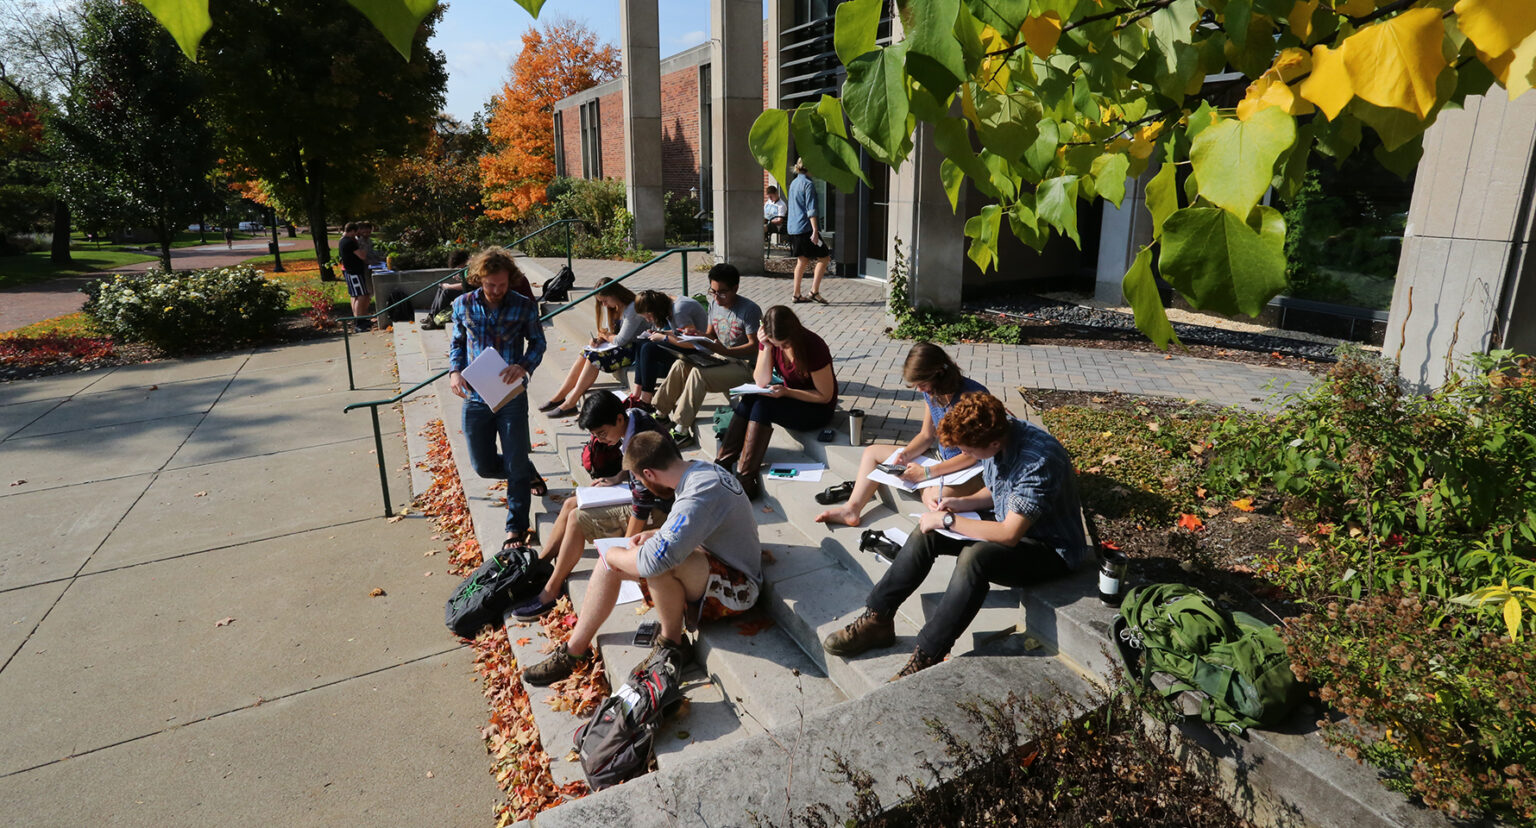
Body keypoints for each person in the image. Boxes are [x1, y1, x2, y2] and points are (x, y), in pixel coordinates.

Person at [821, 393, 1088, 681]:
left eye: (969, 451)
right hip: (1012, 525)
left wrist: (950, 519)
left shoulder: (1038, 460)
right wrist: (964, 504)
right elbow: (1002, 491)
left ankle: (928, 654)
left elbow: (1010, 534)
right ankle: (877, 619)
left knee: (975, 558)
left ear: (994, 444)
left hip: (1050, 550)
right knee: (929, 531)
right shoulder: (999, 432)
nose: (967, 456)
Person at [524, 431, 763, 686]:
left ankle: (672, 646)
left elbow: (655, 561)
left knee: (651, 563)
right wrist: (655, 533)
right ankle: (574, 651)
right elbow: (700, 523)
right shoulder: (698, 472)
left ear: (649, 474)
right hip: (713, 561)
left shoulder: (698, 494)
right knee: (612, 563)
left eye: (637, 479)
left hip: (739, 588)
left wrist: (613, 553)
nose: (639, 486)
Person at [510, 391, 674, 620]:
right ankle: (541, 566)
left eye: (602, 433)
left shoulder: (641, 441)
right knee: (570, 504)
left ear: (619, 419)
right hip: (642, 494)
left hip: (659, 510)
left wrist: (621, 551)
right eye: (596, 435)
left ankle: (550, 592)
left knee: (578, 518)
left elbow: (642, 507)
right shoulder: (634, 416)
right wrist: (618, 477)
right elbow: (636, 472)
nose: (601, 440)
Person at [816, 343, 988, 527]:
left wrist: (926, 473)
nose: (920, 390)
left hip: (971, 469)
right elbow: (926, 436)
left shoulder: (971, 399)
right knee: (872, 452)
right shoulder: (932, 392)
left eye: (922, 384)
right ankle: (851, 509)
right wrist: (905, 454)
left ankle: (927, 487)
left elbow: (971, 456)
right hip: (942, 459)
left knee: (937, 498)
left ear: (939, 373)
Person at [448, 247, 548, 547]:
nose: (496, 290)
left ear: (510, 281)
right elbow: (457, 342)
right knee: (483, 465)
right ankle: (526, 470)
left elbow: (538, 343)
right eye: (491, 284)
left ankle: (515, 528)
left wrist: (523, 366)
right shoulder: (462, 305)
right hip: (476, 395)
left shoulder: (524, 305)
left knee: (514, 463)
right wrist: (454, 371)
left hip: (510, 396)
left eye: (502, 285)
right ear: (479, 278)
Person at [715, 305, 836, 500]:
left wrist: (787, 392)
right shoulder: (770, 341)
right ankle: (721, 465)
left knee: (764, 405)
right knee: (751, 397)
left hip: (817, 408)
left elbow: (825, 396)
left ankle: (745, 479)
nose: (780, 348)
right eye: (775, 343)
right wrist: (766, 347)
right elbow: (761, 381)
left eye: (784, 344)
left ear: (794, 334)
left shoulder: (813, 346)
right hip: (791, 398)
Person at [653, 263, 761, 448]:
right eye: (713, 292)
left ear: (736, 288)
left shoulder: (749, 310)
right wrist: (697, 335)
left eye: (722, 293)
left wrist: (726, 351)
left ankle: (681, 430)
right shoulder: (713, 304)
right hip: (721, 357)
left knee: (698, 374)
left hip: (745, 366)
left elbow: (755, 345)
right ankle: (661, 414)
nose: (717, 298)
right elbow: (711, 335)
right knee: (681, 365)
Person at [538, 281, 646, 417]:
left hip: (637, 350)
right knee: (586, 352)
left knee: (594, 358)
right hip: (622, 348)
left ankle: (571, 403)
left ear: (615, 294)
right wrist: (599, 339)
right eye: (601, 302)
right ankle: (560, 396)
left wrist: (604, 336)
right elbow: (610, 333)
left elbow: (620, 340)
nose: (604, 305)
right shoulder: (615, 307)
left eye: (605, 301)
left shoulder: (632, 309)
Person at [627, 289, 709, 410]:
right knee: (642, 342)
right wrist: (661, 332)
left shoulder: (679, 310)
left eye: (649, 316)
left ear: (656, 309)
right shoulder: (670, 304)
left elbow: (693, 343)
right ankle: (636, 394)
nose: (649, 320)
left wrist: (664, 338)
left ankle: (646, 400)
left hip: (701, 352)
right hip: (691, 346)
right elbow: (679, 332)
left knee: (649, 348)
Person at [787, 160, 831, 305]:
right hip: (806, 228)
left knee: (802, 260)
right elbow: (811, 210)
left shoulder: (794, 183)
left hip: (794, 228)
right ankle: (813, 291)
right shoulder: (808, 184)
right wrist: (815, 230)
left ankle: (797, 294)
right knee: (824, 257)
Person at [338, 222, 374, 330]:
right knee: (361, 296)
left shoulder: (343, 240)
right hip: (354, 272)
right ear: (352, 231)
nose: (357, 235)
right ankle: (359, 323)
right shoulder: (349, 242)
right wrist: (364, 248)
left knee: (357, 295)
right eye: (356, 232)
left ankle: (360, 319)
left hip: (351, 272)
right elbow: (362, 255)